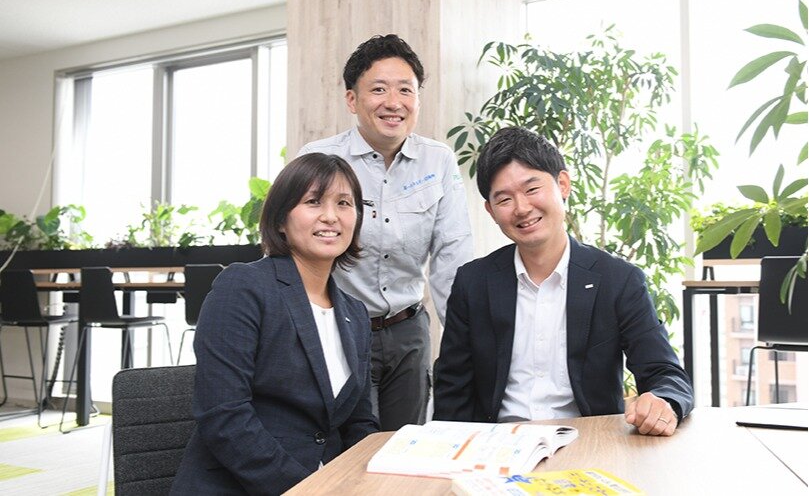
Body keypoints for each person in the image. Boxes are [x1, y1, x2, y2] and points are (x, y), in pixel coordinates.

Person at [432, 127, 693, 436]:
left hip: (589, 442)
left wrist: (663, 401)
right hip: (499, 444)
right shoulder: (473, 283)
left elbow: (665, 373)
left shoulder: (618, 280)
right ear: (490, 210)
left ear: (563, 184)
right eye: (504, 199)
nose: (522, 208)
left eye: (532, 189)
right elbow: (453, 390)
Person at [171, 153, 378, 495]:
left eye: (344, 203)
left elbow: (359, 422)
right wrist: (308, 489)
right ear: (281, 219)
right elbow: (224, 415)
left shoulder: (354, 314)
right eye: (313, 201)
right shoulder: (243, 287)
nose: (331, 216)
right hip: (243, 487)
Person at [298, 34, 473, 431]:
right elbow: (296, 252)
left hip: (408, 329)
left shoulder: (438, 161)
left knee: (406, 444)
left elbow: (452, 258)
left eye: (405, 90)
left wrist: (463, 343)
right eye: (378, 89)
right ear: (352, 100)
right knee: (348, 445)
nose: (394, 102)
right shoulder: (319, 159)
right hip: (339, 326)